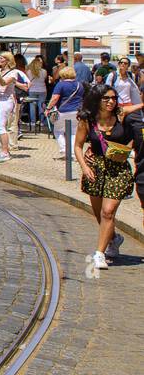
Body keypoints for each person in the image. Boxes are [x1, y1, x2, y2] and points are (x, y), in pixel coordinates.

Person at [75, 84, 144, 269]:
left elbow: (139, 107)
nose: (111, 102)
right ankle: (114, 238)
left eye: (113, 98)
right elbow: (77, 146)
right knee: (99, 213)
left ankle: (99, 254)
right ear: (97, 100)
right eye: (106, 98)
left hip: (118, 169)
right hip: (96, 168)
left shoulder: (121, 114)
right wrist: (84, 167)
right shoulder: (87, 120)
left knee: (108, 212)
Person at [0, 51, 24, 161]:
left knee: (1, 127)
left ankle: (5, 152)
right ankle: (2, 150)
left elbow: (4, 83)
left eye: (2, 58)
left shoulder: (13, 73)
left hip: (6, 101)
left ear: (8, 61)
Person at [45, 65, 84, 158]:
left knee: (58, 131)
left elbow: (55, 98)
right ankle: (73, 153)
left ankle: (64, 150)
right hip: (77, 111)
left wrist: (48, 109)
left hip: (63, 111)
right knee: (74, 132)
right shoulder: (80, 84)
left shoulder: (61, 84)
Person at [27, 56, 49, 131]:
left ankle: (33, 122)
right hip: (42, 90)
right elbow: (45, 79)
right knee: (41, 106)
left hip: (32, 90)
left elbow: (27, 80)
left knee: (32, 107)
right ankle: (41, 121)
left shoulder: (29, 71)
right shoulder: (44, 71)